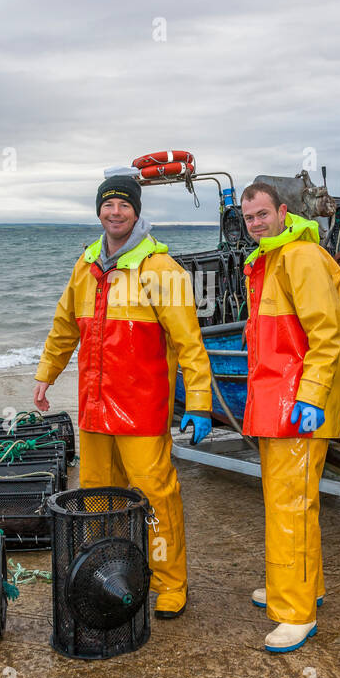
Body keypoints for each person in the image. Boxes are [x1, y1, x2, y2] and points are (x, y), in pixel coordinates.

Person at [34, 168, 213, 618]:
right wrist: (46, 374)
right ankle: (103, 573)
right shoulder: (85, 264)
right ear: (98, 210)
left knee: (155, 497)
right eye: (108, 204)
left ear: (136, 212)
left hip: (141, 412)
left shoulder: (161, 269)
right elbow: (64, 327)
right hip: (95, 410)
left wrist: (200, 403)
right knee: (96, 495)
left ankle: (171, 583)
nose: (116, 212)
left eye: (124, 205)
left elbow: (189, 343)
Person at [239, 180, 340, 653]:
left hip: (294, 405)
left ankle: (295, 612)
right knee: (293, 502)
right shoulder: (270, 261)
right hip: (273, 401)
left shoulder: (300, 258)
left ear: (283, 212)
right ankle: (303, 586)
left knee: (289, 507)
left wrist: (312, 397)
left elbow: (327, 333)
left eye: (262, 214)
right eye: (248, 218)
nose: (256, 223)